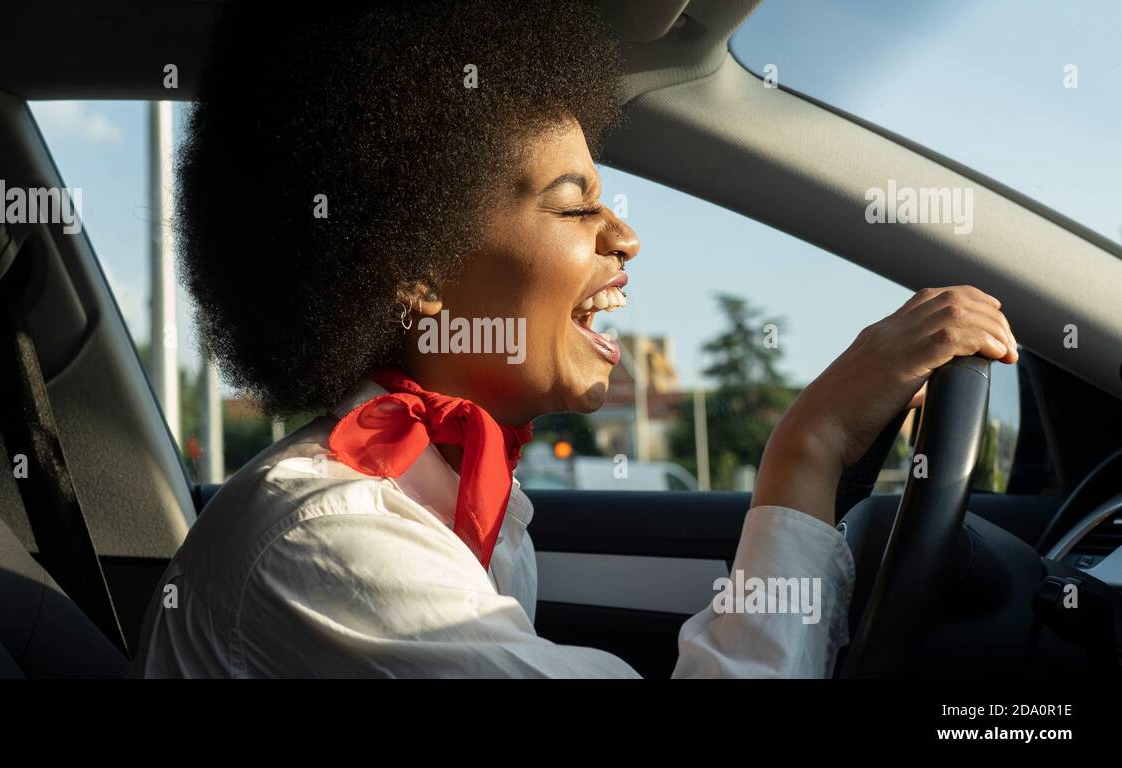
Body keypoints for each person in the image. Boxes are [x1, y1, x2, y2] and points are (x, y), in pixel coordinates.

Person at [130, 0, 1018, 678]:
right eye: (575, 204)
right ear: (416, 269)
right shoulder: (331, 542)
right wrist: (808, 447)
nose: (624, 237)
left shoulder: (459, 494)